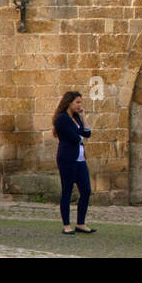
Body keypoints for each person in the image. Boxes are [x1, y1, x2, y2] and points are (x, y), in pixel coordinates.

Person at [53, 91, 95, 234]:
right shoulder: (62, 119)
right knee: (67, 191)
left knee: (86, 190)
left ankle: (81, 223)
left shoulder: (76, 117)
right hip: (67, 159)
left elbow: (87, 133)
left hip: (80, 159)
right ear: (69, 102)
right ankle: (66, 225)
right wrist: (81, 135)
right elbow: (75, 138)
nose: (80, 105)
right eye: (77, 102)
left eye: (80, 102)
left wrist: (83, 118)